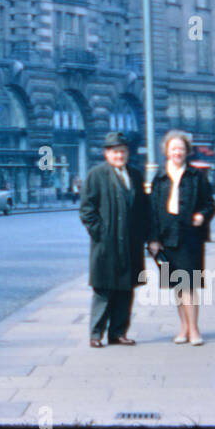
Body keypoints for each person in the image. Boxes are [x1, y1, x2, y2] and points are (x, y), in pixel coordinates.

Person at [79, 132, 151, 347]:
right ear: (106, 153)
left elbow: (144, 209)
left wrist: (146, 236)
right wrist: (100, 233)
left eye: (123, 151)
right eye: (115, 151)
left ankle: (118, 333)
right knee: (103, 290)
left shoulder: (136, 175)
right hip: (106, 244)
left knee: (126, 289)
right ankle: (96, 334)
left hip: (131, 244)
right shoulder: (96, 175)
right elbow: (86, 209)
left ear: (127, 153)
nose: (120, 155)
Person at [148, 130, 215, 345]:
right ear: (166, 152)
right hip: (166, 239)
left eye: (181, 148)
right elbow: (151, 212)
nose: (177, 152)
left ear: (187, 151)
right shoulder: (159, 179)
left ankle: (194, 330)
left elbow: (210, 205)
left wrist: (201, 215)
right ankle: (184, 328)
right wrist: (153, 239)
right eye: (173, 149)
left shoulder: (197, 177)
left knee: (189, 285)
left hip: (189, 238)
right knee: (177, 286)